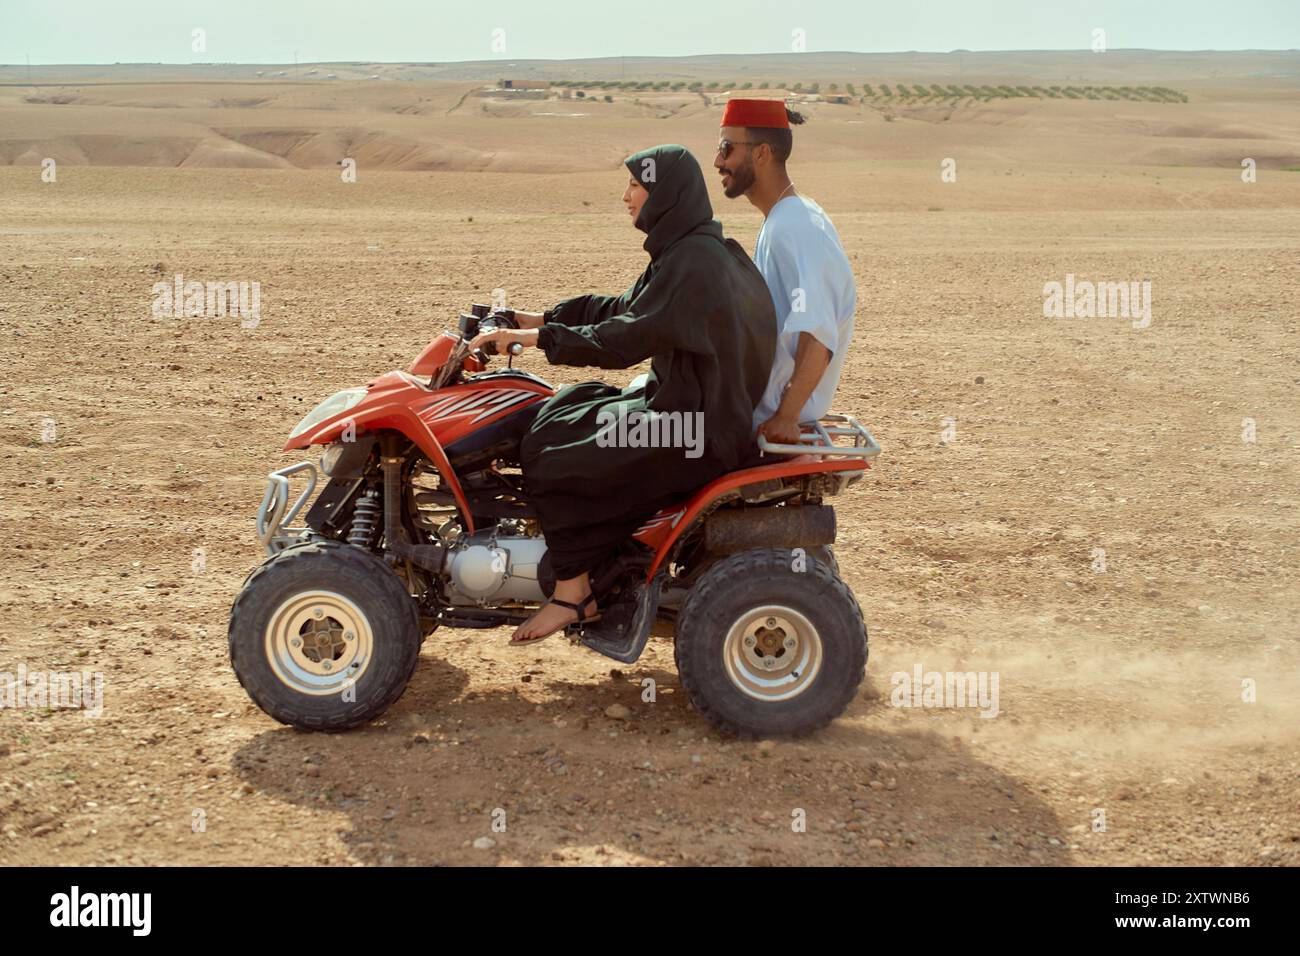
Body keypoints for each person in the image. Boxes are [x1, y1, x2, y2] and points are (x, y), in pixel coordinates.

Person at [468, 144, 776, 645]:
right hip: (694, 410)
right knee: (562, 408)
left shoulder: (694, 262)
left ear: (665, 193)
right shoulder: (693, 247)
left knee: (550, 449)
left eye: (636, 185)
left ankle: (572, 593)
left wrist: (537, 341)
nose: (625, 196)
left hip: (693, 429)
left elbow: (626, 339)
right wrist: (540, 319)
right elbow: (625, 308)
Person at [713, 99, 857, 444]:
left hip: (757, 415)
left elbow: (818, 333)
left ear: (761, 154)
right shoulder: (782, 221)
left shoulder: (797, 227)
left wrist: (786, 418)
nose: (718, 161)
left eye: (726, 148)